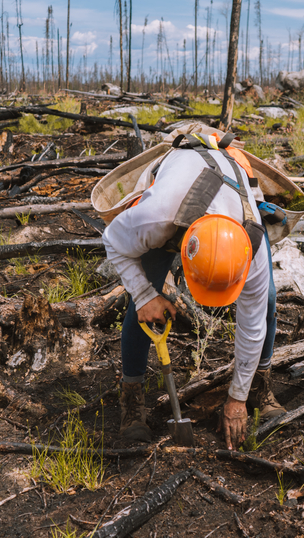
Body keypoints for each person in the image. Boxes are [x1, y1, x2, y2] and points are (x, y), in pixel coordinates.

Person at [101, 133, 283, 450]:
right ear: (185, 252)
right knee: (141, 303)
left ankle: (258, 388)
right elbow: (114, 242)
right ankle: (131, 400)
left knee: (265, 301)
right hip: (175, 194)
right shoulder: (156, 217)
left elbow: (253, 325)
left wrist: (236, 399)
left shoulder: (251, 248)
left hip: (234, 197)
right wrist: (145, 295)